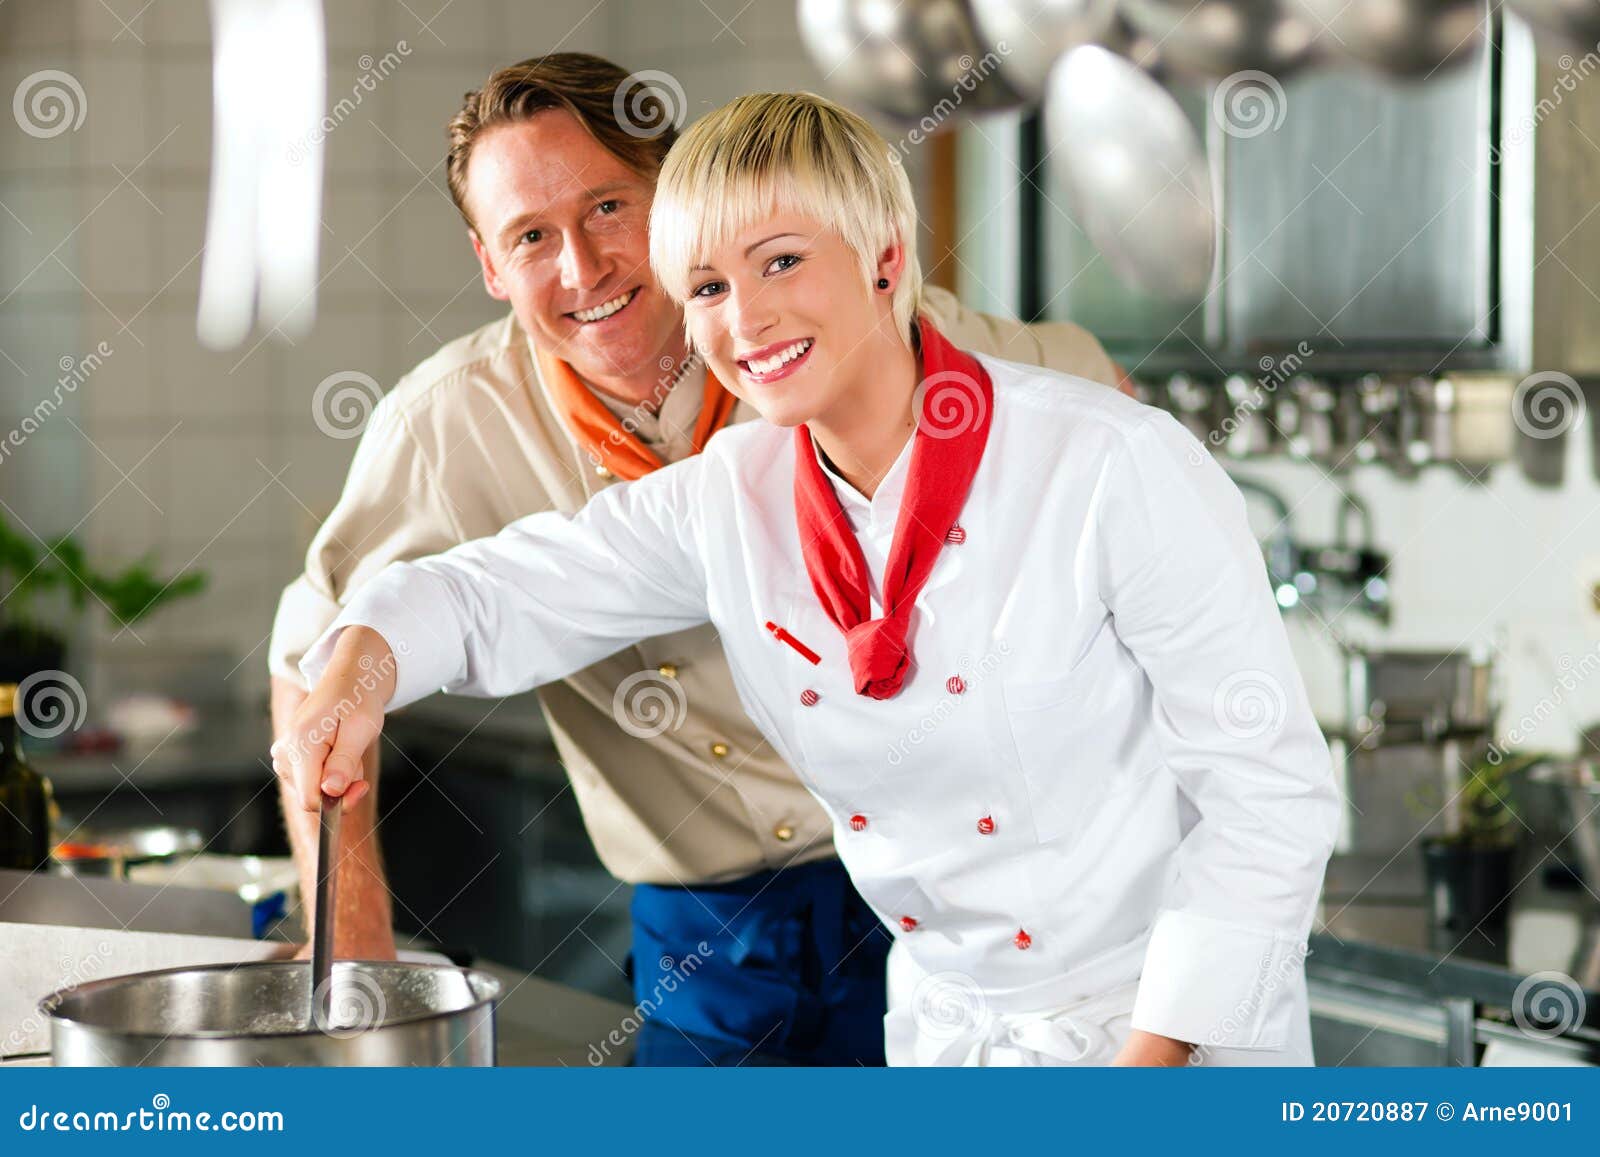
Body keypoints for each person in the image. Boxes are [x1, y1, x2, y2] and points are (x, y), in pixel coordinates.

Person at [280, 89, 1339, 1067]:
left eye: (780, 261)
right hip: (948, 1031)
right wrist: (360, 670)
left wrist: (1148, 1070)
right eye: (706, 286)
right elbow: (490, 593)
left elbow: (1266, 796)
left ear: (884, 259)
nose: (745, 322)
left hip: (1165, 1026)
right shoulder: (731, 493)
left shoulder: (1109, 462)